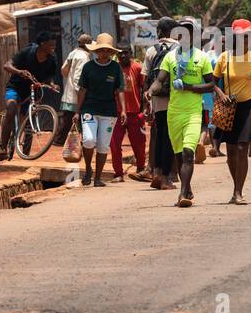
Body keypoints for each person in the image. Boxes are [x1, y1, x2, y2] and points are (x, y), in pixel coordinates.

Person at [151, 22, 214, 207]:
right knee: (179, 155)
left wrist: (189, 87)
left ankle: (182, 194)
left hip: (193, 112)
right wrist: (152, 89)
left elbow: (210, 84)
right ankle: (187, 187)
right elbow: (160, 79)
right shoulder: (170, 57)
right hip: (174, 113)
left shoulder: (201, 57)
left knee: (188, 153)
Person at [213, 19, 251, 204]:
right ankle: (235, 187)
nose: (243, 40)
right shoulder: (224, 58)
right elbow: (212, 82)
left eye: (247, 36)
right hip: (230, 107)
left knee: (242, 147)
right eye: (240, 37)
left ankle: (238, 191)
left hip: (249, 106)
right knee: (230, 151)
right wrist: (221, 94)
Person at [0, 32, 59, 162]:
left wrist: (52, 84)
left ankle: (26, 155)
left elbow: (49, 77)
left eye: (54, 44)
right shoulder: (27, 52)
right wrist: (19, 72)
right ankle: (2, 147)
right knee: (11, 107)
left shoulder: (52, 59)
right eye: (51, 44)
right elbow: (7, 65)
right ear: (42, 44)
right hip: (15, 88)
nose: (53, 46)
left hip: (32, 91)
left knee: (30, 117)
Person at [73, 33, 125, 186]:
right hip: (89, 109)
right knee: (89, 140)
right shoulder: (88, 67)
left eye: (108, 50)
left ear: (111, 52)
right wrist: (77, 111)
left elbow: (120, 90)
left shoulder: (116, 68)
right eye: (101, 50)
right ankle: (88, 169)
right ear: (96, 51)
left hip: (109, 112)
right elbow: (82, 90)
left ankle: (97, 178)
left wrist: (123, 110)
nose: (104, 53)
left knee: (103, 145)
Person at [143, 18, 180, 191]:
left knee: (159, 135)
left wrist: (148, 100)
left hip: (157, 99)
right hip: (176, 98)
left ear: (159, 32)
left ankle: (157, 173)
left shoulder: (151, 50)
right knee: (170, 138)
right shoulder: (180, 49)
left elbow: (145, 79)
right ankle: (166, 177)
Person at [110, 46, 147, 182]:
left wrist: (144, 109)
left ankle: (141, 169)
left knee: (139, 143)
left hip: (135, 112)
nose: (123, 56)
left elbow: (144, 88)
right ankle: (118, 173)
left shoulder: (137, 67)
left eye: (125, 53)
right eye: (120, 53)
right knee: (114, 144)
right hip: (117, 112)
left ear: (130, 53)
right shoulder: (114, 68)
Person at [56, 34, 92, 145]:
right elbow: (78, 78)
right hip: (77, 94)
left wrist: (68, 78)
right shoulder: (84, 57)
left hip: (69, 92)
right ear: (87, 45)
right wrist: (80, 93)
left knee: (68, 119)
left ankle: (60, 140)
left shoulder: (73, 53)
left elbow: (63, 69)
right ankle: (78, 143)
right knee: (77, 119)